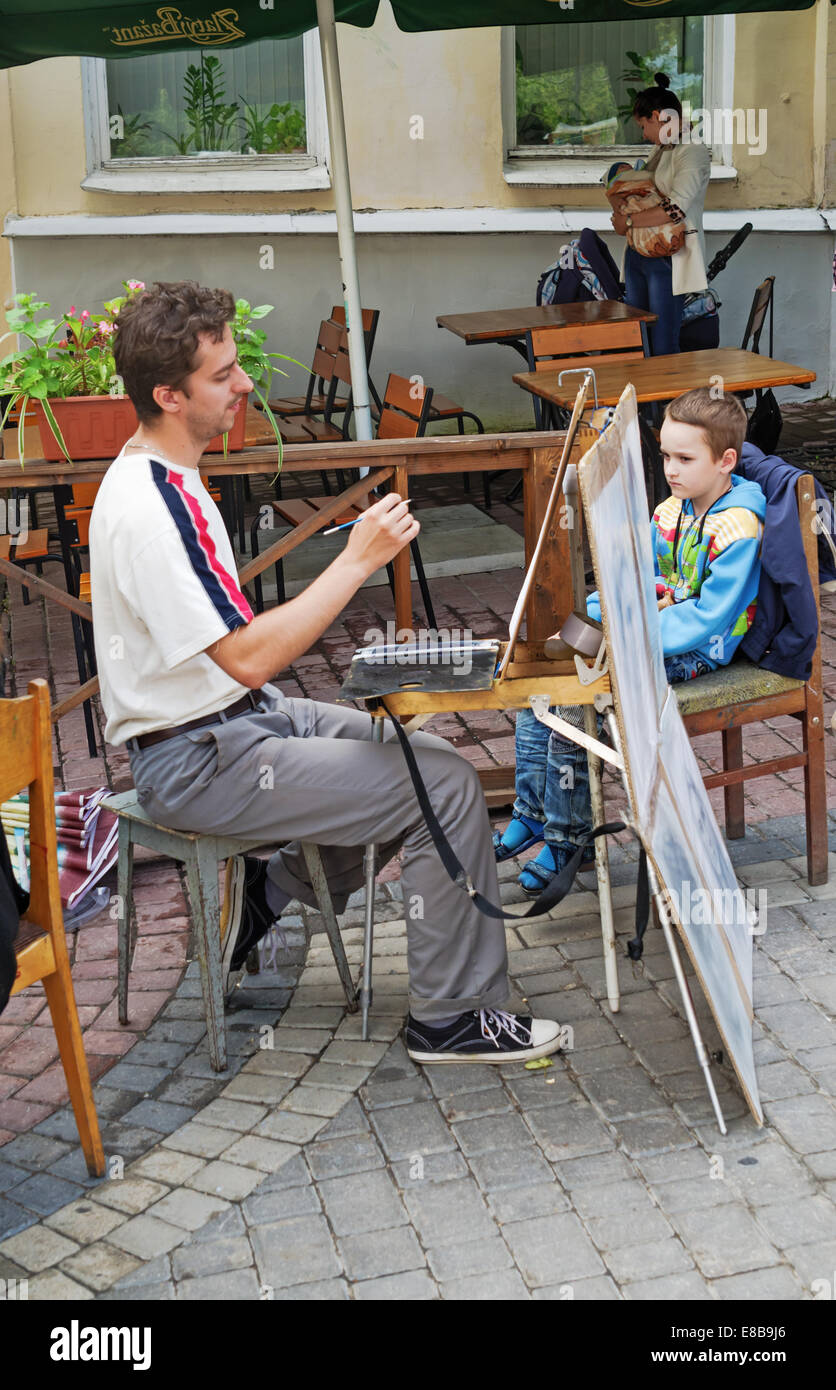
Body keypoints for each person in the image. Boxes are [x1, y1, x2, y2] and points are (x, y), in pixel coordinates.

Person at [88, 281, 563, 1066]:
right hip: (198, 757)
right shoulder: (151, 508)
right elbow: (243, 652)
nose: (245, 385)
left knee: (414, 750)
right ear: (168, 395)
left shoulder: (164, 474)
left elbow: (237, 661)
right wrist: (355, 561)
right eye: (223, 375)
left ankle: (266, 900)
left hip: (239, 720)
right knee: (441, 786)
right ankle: (453, 1020)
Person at [494, 389, 766, 894]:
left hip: (697, 650)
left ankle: (567, 839)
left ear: (726, 461)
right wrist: (589, 620)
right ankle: (531, 813)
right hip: (645, 635)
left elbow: (710, 616)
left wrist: (624, 636)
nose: (670, 468)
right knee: (541, 684)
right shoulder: (671, 510)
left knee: (577, 704)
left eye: (685, 458)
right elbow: (629, 578)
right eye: (664, 455)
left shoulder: (738, 525)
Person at [610, 73, 711, 356]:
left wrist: (628, 221)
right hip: (640, 253)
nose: (643, 134)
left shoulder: (692, 150)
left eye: (643, 125)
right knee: (638, 340)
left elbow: (675, 208)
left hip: (669, 258)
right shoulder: (664, 148)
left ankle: (668, 402)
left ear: (656, 116)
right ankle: (643, 402)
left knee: (663, 343)